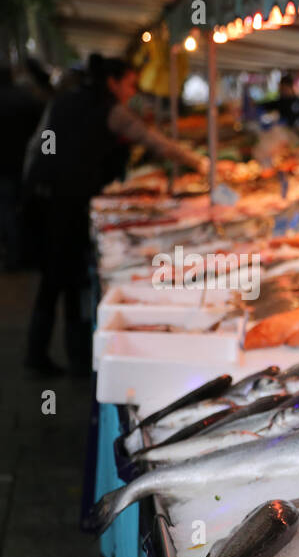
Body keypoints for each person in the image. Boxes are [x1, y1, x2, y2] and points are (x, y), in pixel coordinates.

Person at [22, 54, 207, 377]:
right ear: (113, 82)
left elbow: (36, 144)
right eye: (131, 84)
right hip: (70, 200)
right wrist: (202, 165)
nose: (133, 91)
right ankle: (69, 360)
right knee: (68, 278)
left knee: (55, 277)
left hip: (46, 196)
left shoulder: (64, 101)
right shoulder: (110, 110)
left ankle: (50, 355)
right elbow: (154, 142)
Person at [0, 65, 46, 270]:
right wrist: (48, 156)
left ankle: (15, 256)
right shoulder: (28, 99)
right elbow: (48, 131)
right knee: (22, 208)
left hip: (4, 166)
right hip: (27, 165)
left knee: (7, 209)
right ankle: (26, 253)